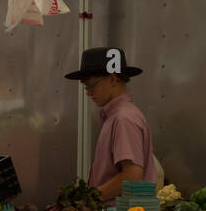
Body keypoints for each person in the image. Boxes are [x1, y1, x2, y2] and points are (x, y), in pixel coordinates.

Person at [65, 47, 155, 201]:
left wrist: (90, 199)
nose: (88, 92)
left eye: (91, 86)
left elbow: (132, 177)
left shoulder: (123, 119)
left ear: (113, 79)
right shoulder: (116, 116)